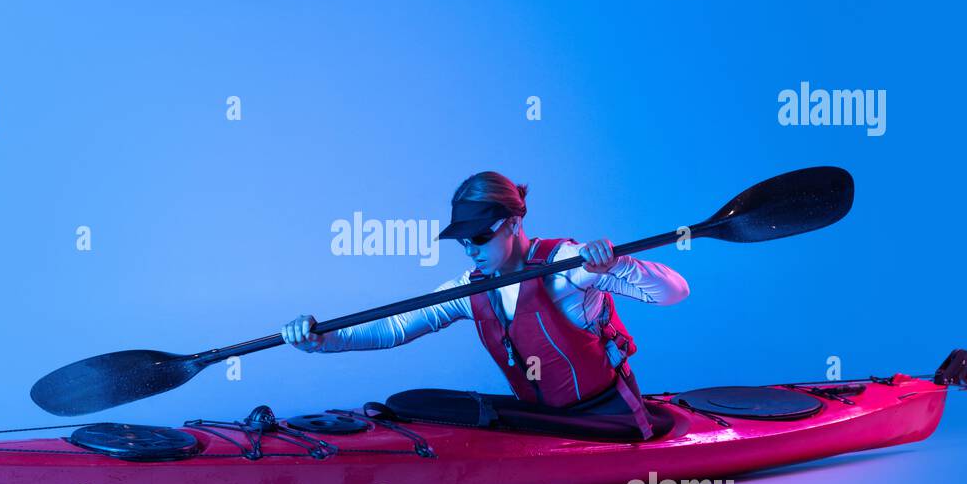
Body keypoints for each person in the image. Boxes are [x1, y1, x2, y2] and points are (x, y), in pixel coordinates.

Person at [281, 172, 689, 439]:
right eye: (463, 240)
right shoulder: (471, 287)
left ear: (513, 223)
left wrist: (617, 263)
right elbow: (397, 326)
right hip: (545, 423)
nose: (470, 249)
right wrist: (324, 340)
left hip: (609, 419)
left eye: (479, 237)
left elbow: (674, 292)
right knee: (410, 401)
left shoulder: (568, 266)